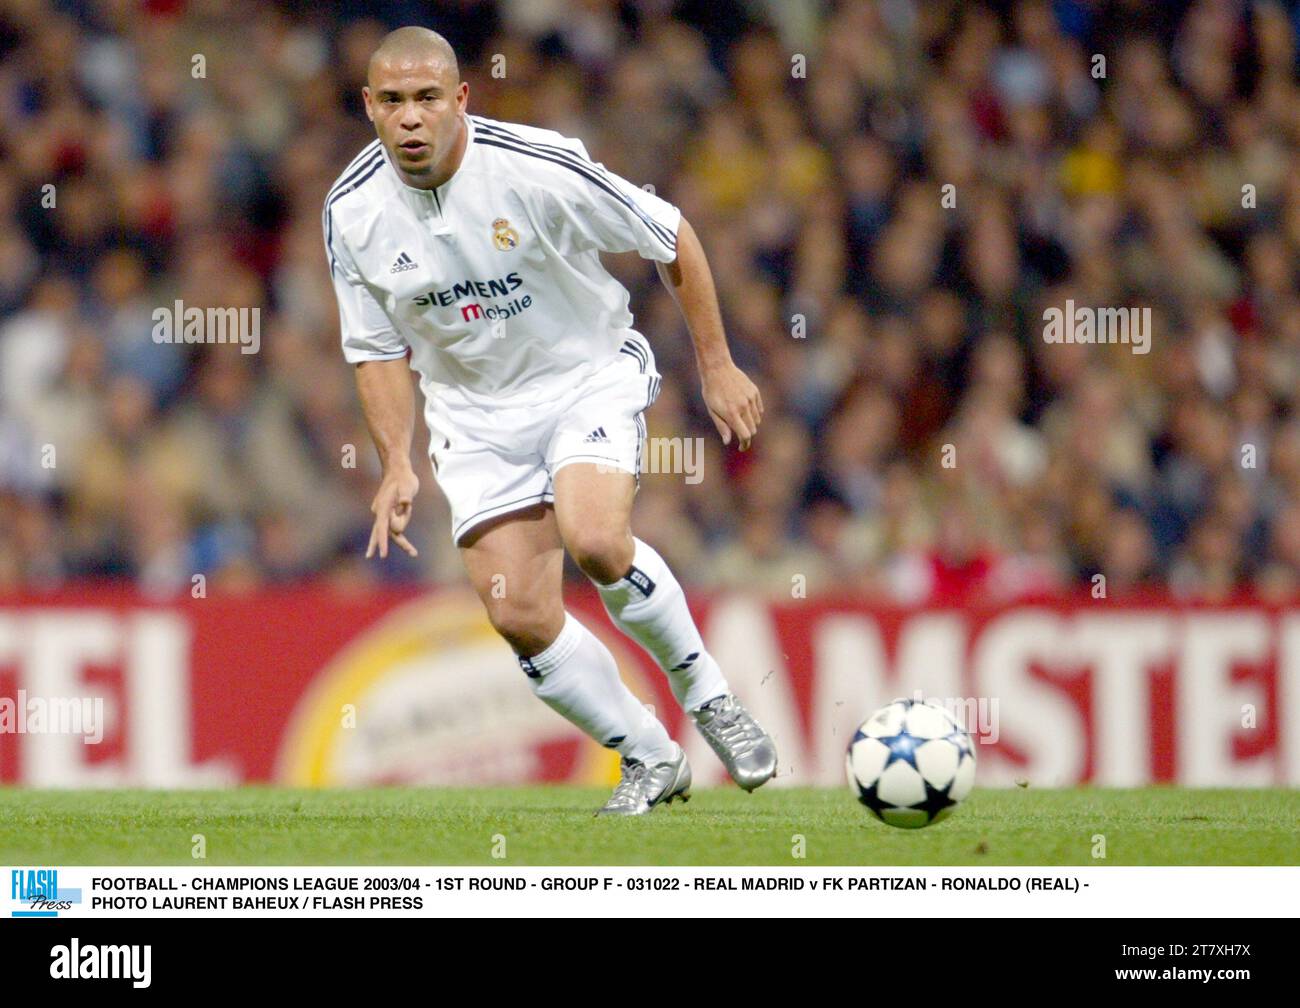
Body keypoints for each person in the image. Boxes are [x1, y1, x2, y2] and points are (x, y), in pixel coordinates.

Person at [324, 27, 775, 814]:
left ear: (461, 99)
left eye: (428, 99)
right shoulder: (351, 211)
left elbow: (672, 236)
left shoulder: (535, 168)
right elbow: (374, 347)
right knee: (518, 611)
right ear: (368, 107)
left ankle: (710, 698)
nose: (410, 119)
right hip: (472, 415)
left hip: (582, 380)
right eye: (391, 102)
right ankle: (649, 757)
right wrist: (398, 460)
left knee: (596, 539)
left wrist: (716, 363)